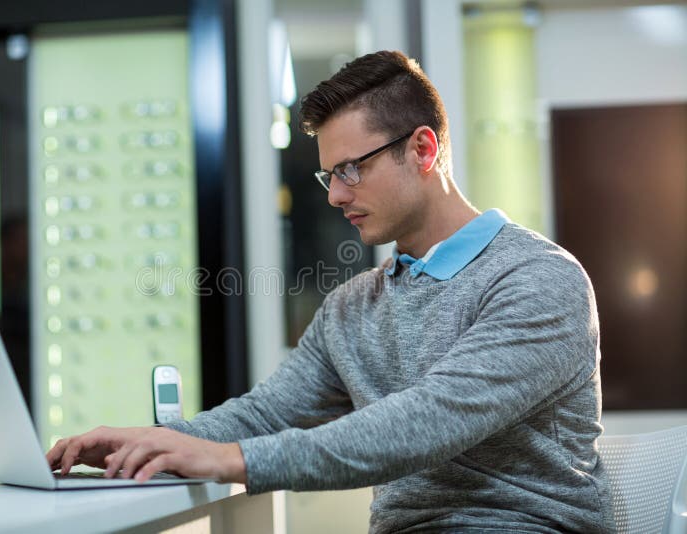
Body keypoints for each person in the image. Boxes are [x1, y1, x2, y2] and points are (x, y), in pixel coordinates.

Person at [46, 50, 613, 533]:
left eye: (351, 170)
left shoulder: (540, 279)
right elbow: (266, 413)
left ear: (422, 149)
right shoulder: (353, 306)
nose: (335, 197)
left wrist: (228, 461)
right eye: (328, 176)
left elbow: (423, 424)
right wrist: (151, 441)